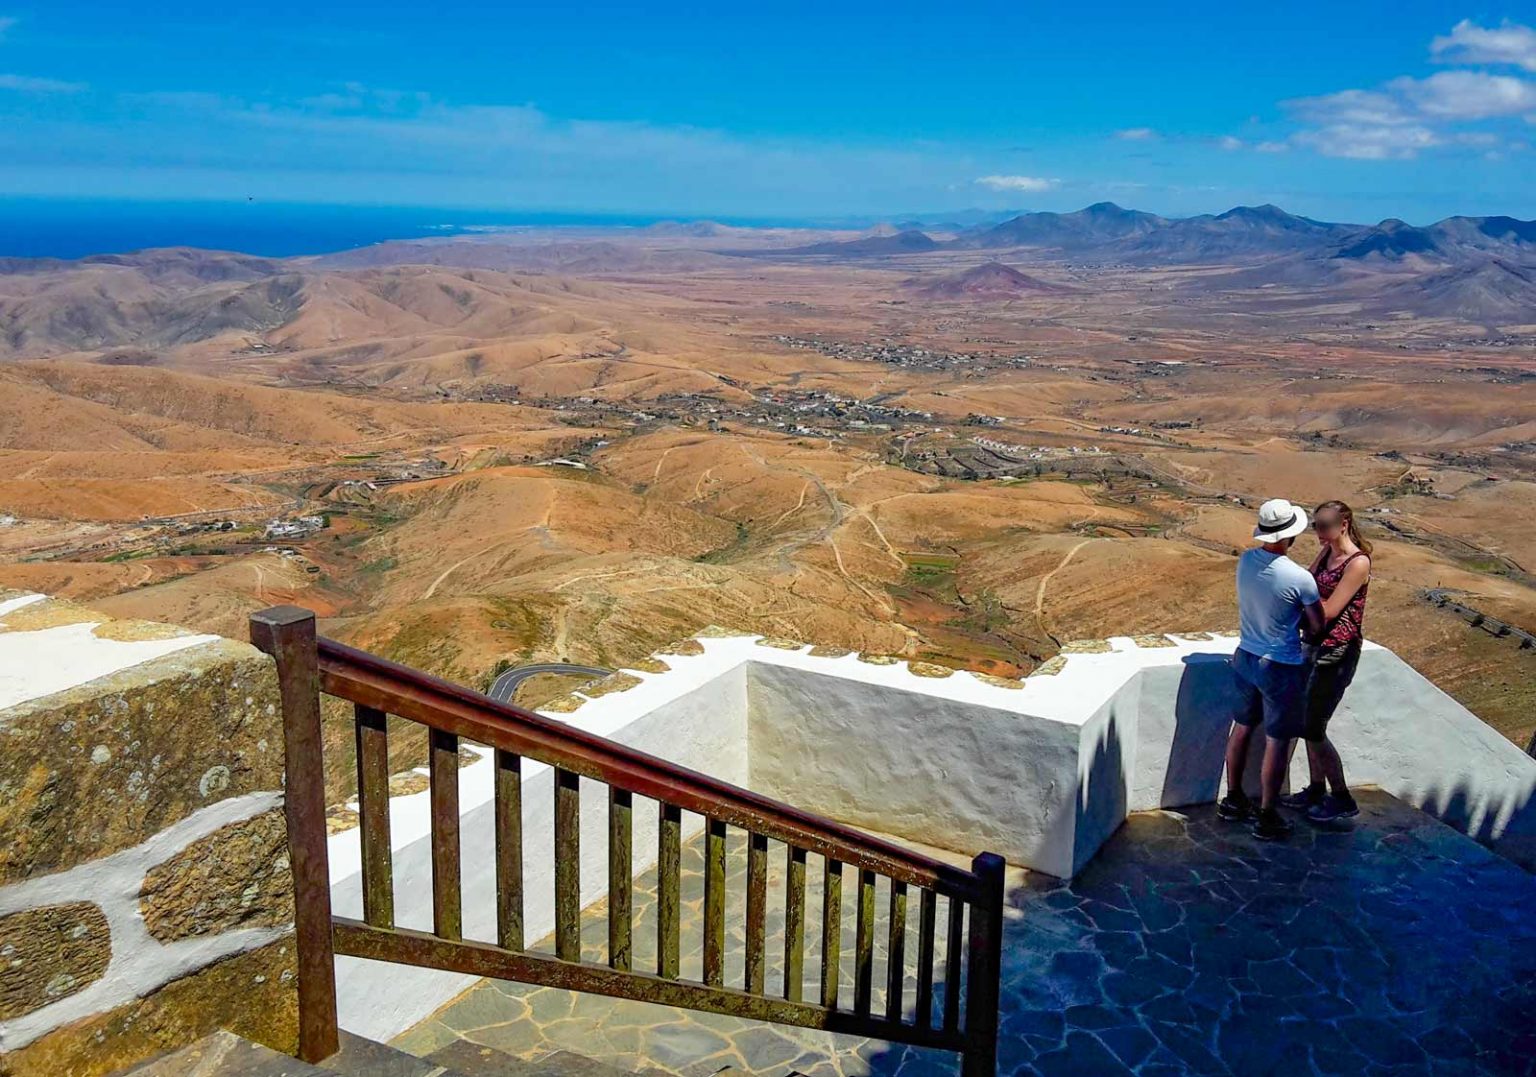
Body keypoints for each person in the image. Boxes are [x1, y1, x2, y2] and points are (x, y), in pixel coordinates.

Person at [1219, 498, 1325, 841]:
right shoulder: (1300, 578)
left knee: (1242, 728)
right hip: (1280, 663)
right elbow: (1316, 626)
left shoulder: (1246, 561)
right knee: (1277, 741)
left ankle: (1233, 798)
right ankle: (1267, 813)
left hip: (1245, 656)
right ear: (1291, 534)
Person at [1280, 499, 1372, 823]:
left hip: (1338, 652)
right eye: (1315, 526)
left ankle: (1342, 797)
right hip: (1313, 647)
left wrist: (1303, 597)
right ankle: (1317, 789)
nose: (1319, 532)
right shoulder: (1327, 554)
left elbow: (1329, 610)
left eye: (1324, 526)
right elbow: (1307, 584)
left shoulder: (1357, 563)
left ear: (1343, 524)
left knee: (1313, 727)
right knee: (1308, 724)